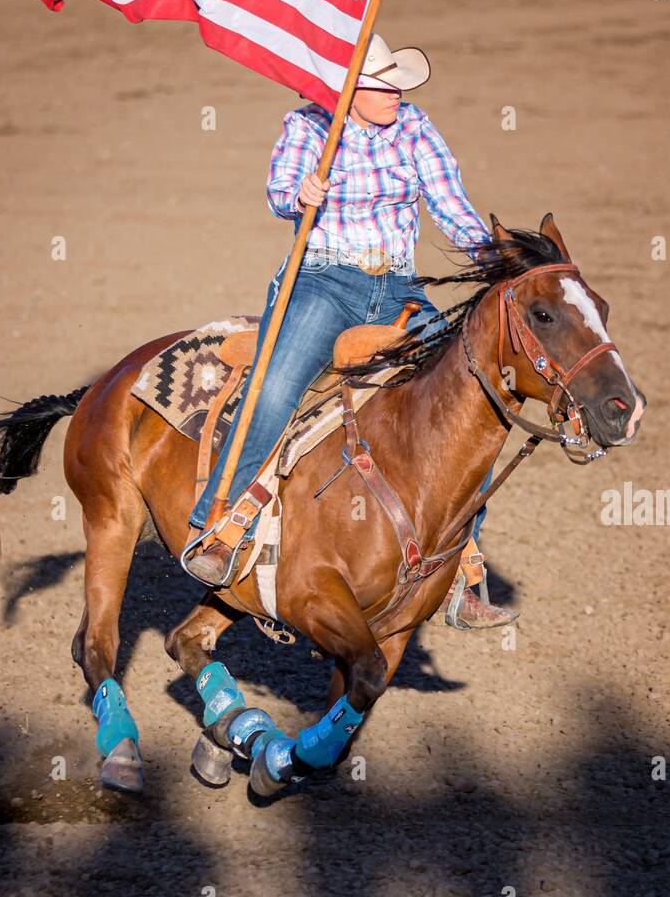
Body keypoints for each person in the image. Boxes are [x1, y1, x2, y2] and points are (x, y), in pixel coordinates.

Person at [184, 35, 515, 629]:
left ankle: (464, 563)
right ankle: (221, 522)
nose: (397, 93)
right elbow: (281, 192)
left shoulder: (414, 127)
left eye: (398, 83)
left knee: (474, 393)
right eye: (383, 84)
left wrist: (498, 260)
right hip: (322, 282)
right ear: (348, 92)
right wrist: (300, 193)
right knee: (279, 386)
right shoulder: (310, 127)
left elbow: (450, 204)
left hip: (398, 289)